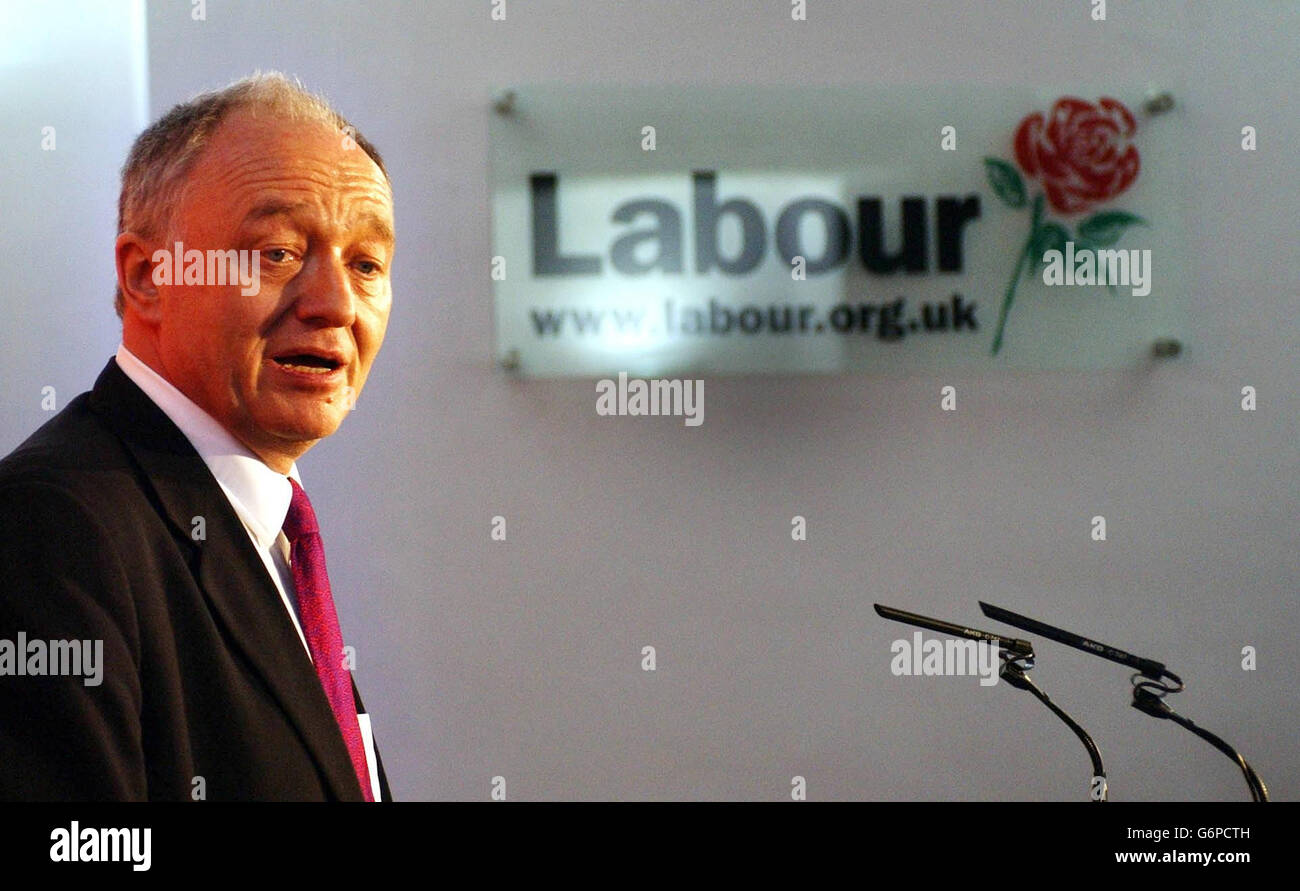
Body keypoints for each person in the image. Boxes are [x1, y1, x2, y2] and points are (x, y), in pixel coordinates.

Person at [0, 72, 396, 801]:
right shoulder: (50, 525)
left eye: (366, 264)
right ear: (149, 276)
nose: (336, 303)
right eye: (277, 252)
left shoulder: (275, 536)